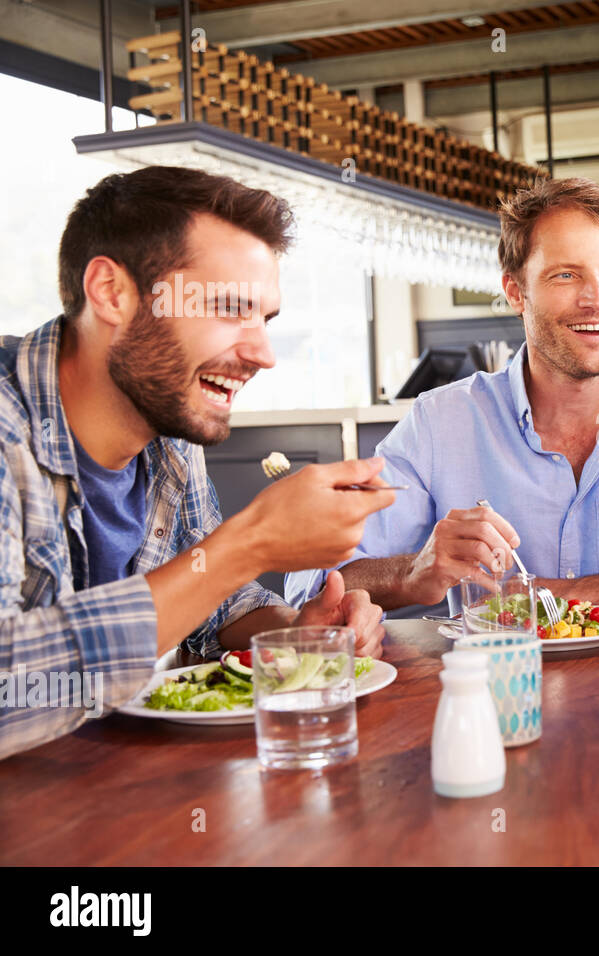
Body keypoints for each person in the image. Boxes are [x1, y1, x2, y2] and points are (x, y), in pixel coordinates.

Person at [0, 166, 394, 760]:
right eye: (229, 309)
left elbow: (216, 605)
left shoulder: (169, 437)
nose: (262, 353)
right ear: (111, 292)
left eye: (265, 319)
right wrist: (251, 543)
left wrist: (298, 633)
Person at [285, 177, 599, 614]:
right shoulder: (441, 423)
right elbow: (313, 582)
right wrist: (412, 571)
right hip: (497, 713)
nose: (596, 300)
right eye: (566, 275)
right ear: (516, 291)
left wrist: (565, 599)